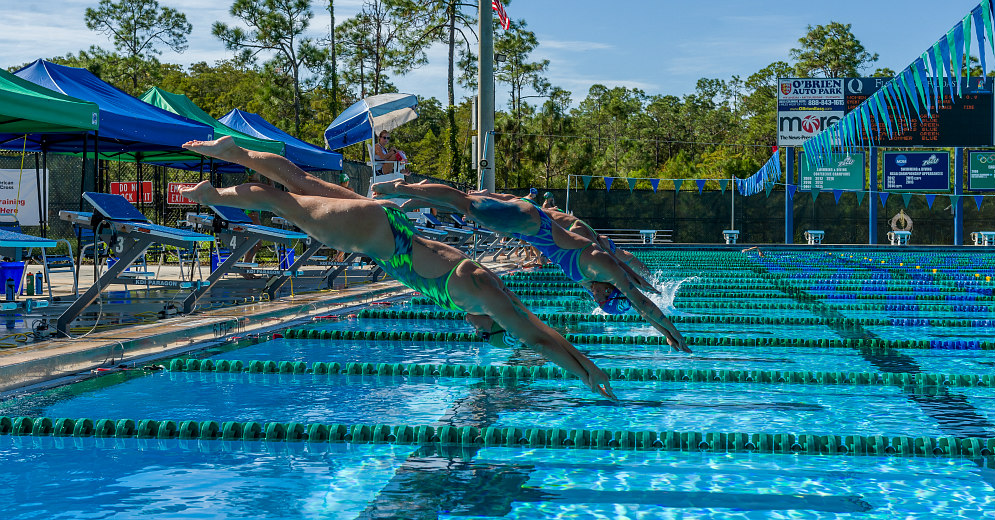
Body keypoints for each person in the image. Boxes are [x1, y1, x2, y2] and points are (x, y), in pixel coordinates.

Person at [178, 136, 616, 399]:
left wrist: (584, 364)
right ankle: (213, 195)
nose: (477, 329)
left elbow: (532, 328)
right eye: (485, 330)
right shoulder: (479, 289)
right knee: (283, 200)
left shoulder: (469, 290)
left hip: (389, 228)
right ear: (489, 319)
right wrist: (586, 371)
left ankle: (235, 152)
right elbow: (535, 332)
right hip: (378, 236)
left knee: (303, 184)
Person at [372, 180, 688, 353]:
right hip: (530, 223)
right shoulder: (601, 264)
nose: (596, 299)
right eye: (604, 300)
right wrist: (670, 332)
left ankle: (417, 196)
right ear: (612, 290)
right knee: (464, 202)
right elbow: (640, 302)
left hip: (527, 225)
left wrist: (650, 287)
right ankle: (404, 187)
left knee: (469, 205)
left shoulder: (596, 278)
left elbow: (634, 285)